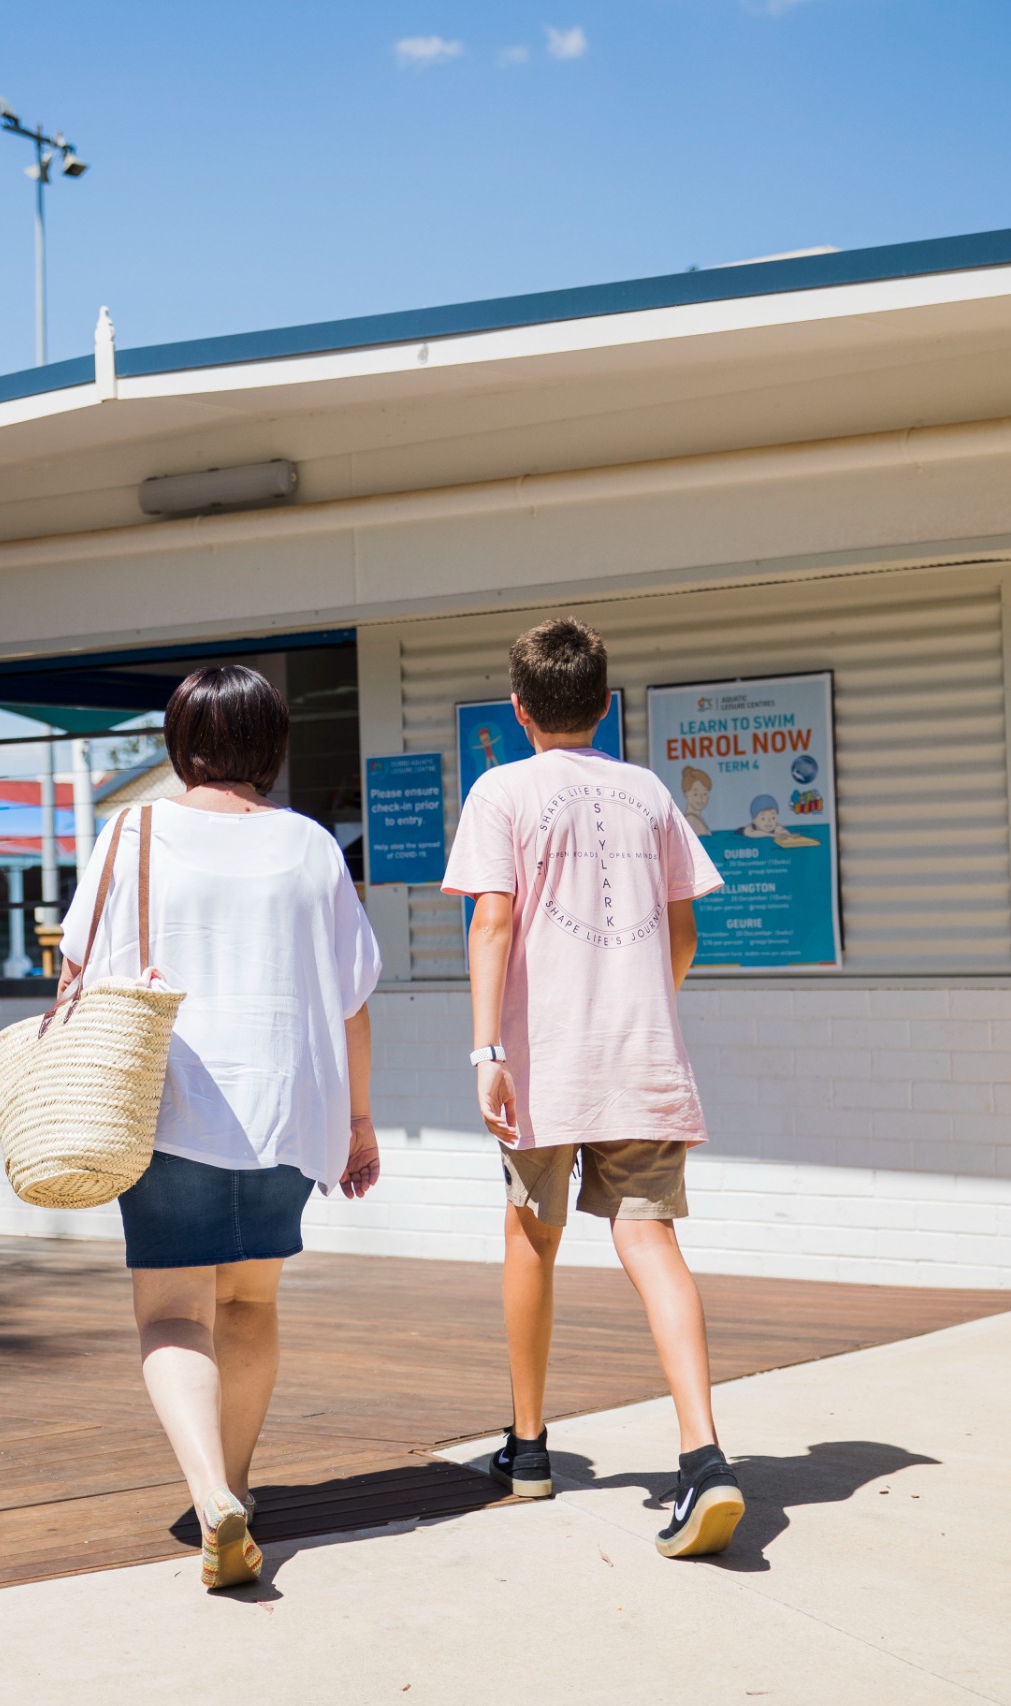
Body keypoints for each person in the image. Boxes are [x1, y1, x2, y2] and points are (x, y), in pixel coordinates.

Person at [56, 663, 382, 1592]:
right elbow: (354, 1001)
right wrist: (359, 1121)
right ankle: (236, 1483)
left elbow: (74, 974)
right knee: (249, 1304)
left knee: (170, 1312)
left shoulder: (132, 829)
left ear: (180, 742)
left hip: (169, 1109)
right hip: (287, 1110)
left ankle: (213, 1499)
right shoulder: (311, 846)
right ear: (271, 745)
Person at [440, 618, 746, 1560]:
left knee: (532, 1235)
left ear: (521, 708)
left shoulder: (501, 789)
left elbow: (491, 925)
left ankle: (528, 1450)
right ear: (608, 705)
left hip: (544, 1060)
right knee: (649, 1238)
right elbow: (683, 932)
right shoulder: (650, 791)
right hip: (640, 1053)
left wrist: (486, 1047)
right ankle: (703, 1457)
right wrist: (643, 1002)